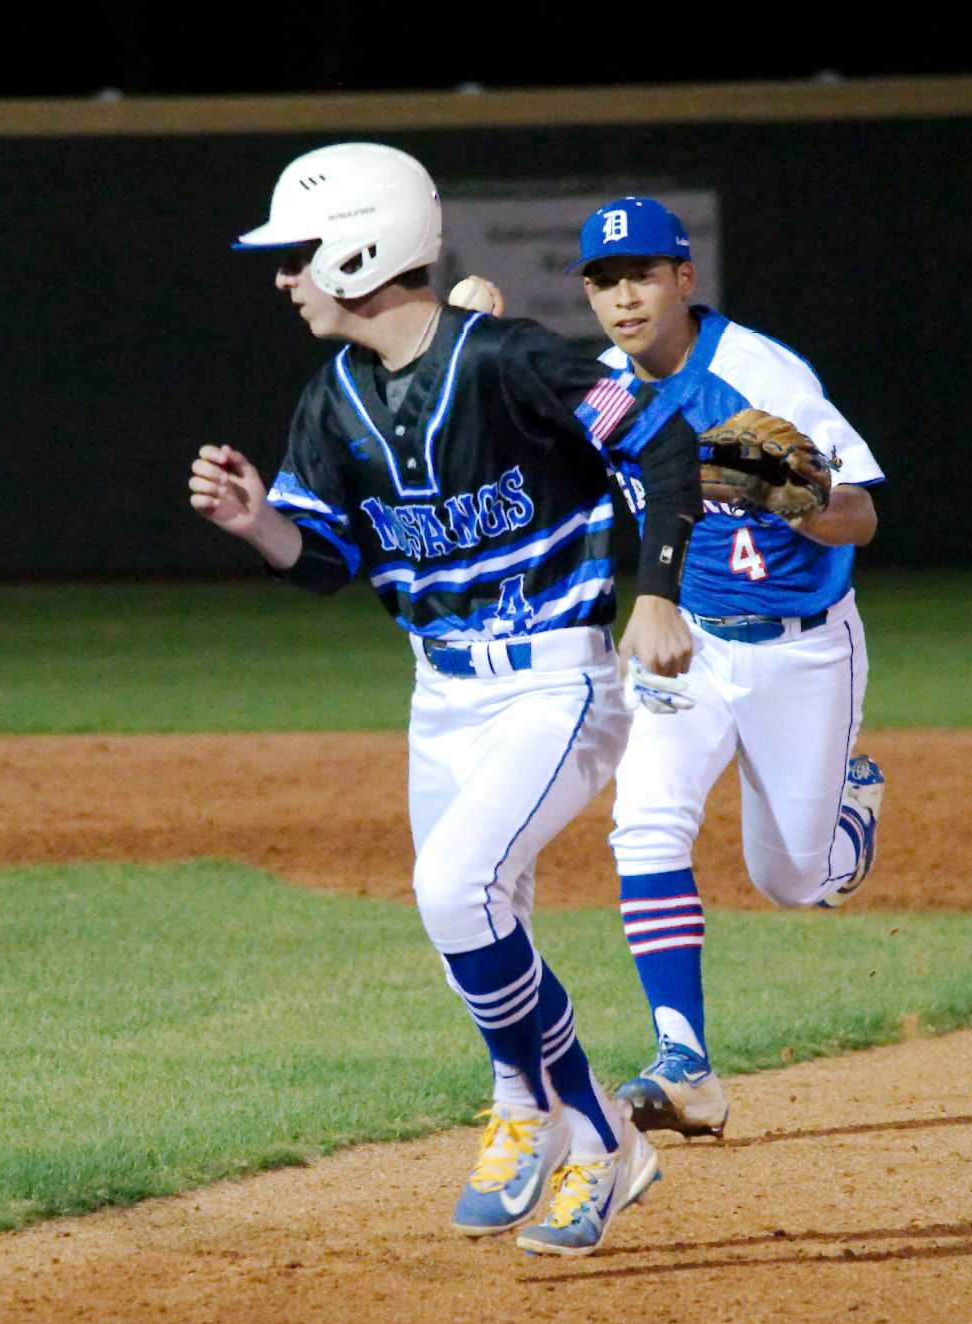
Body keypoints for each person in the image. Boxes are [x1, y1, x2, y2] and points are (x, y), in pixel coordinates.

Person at [188, 144, 709, 1255]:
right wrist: (257, 527)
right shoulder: (331, 399)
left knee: (451, 887)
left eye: (296, 258)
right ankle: (526, 1109)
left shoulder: (511, 360)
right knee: (471, 919)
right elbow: (324, 557)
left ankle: (599, 1139)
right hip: (442, 694)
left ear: (358, 248)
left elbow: (664, 447)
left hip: (556, 680)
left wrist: (656, 593)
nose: (283, 280)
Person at [573, 197, 888, 1136]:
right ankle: (685, 1065)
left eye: (639, 275)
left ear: (683, 279)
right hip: (686, 642)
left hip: (802, 645)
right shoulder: (602, 389)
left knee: (792, 879)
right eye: (601, 281)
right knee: (644, 826)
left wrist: (796, 496)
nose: (622, 297)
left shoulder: (760, 375)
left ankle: (850, 801)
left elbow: (863, 517)